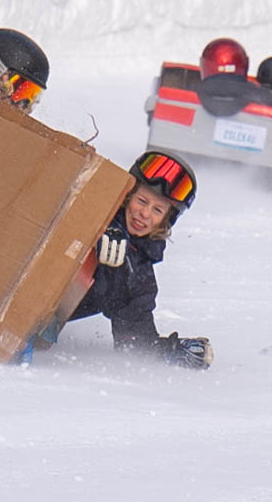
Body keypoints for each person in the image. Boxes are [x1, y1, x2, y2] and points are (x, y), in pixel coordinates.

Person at [68, 152, 211, 369]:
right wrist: (100, 229)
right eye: (142, 201)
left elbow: (134, 339)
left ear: (165, 220)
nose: (144, 213)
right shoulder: (94, 202)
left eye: (157, 210)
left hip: (36, 319)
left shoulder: (137, 273)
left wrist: (171, 351)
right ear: (127, 198)